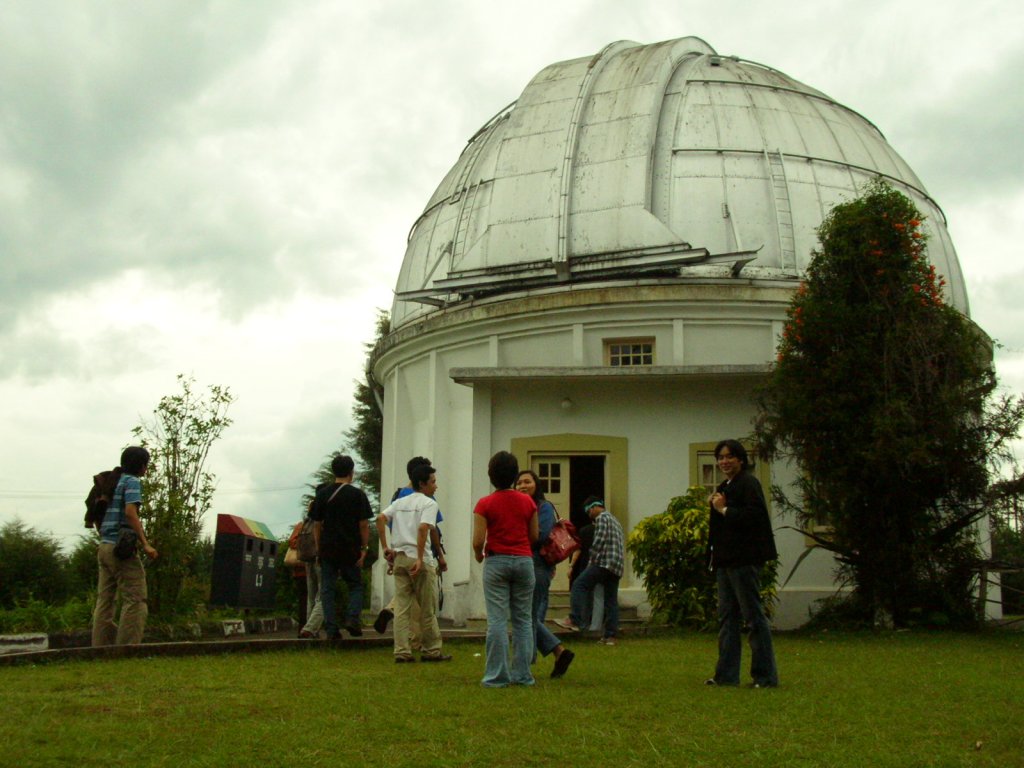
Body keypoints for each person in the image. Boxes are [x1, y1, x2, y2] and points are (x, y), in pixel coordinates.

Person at [704, 439, 779, 688]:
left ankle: (765, 676)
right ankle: (726, 675)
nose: (724, 462)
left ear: (741, 459)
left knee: (753, 618)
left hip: (744, 560)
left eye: (729, 457)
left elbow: (755, 517)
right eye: (721, 458)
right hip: (725, 561)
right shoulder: (726, 485)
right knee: (727, 618)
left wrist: (724, 510)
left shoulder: (749, 483)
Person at [473, 451, 539, 687]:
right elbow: (534, 535)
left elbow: (478, 540)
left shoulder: (484, 503)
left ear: (491, 475)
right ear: (514, 475)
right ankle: (522, 675)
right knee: (522, 620)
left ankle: (496, 675)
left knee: (497, 620)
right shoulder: (528, 502)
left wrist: (478, 556)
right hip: (523, 561)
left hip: (496, 561)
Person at [377, 463, 450, 662]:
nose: (436, 486)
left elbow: (381, 518)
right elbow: (425, 529)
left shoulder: (400, 502)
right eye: (433, 482)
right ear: (423, 484)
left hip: (399, 557)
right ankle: (431, 650)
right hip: (420, 560)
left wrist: (386, 548)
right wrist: (421, 557)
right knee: (427, 608)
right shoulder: (429, 504)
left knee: (401, 608)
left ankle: (401, 651)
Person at [91, 446, 158, 646]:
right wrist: (145, 544)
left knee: (105, 600)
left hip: (104, 547)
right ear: (141, 465)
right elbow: (130, 512)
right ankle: (128, 648)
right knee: (135, 599)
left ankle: (100, 647)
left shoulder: (112, 482)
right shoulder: (132, 482)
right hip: (121, 549)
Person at [515, 469, 575, 678]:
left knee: (527, 615)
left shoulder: (544, 507)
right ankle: (559, 652)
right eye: (519, 483)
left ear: (537, 484)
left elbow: (541, 536)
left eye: (527, 482)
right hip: (526, 562)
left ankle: (526, 664)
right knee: (526, 614)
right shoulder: (520, 507)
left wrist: (516, 538)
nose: (523, 486)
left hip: (538, 565)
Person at [310, 455, 373, 639]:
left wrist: (319, 546)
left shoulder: (322, 494)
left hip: (328, 548)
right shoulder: (357, 495)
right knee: (355, 585)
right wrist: (364, 548)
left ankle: (331, 629)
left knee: (327, 589)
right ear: (351, 472)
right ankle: (352, 619)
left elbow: (316, 524)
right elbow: (363, 524)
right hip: (350, 548)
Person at [556, 496, 624, 645]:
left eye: (588, 512)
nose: (589, 515)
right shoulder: (616, 521)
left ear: (593, 508)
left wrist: (590, 563)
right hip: (616, 566)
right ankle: (610, 636)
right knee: (611, 600)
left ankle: (575, 619)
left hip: (603, 563)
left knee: (579, 584)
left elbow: (598, 542)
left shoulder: (602, 518)